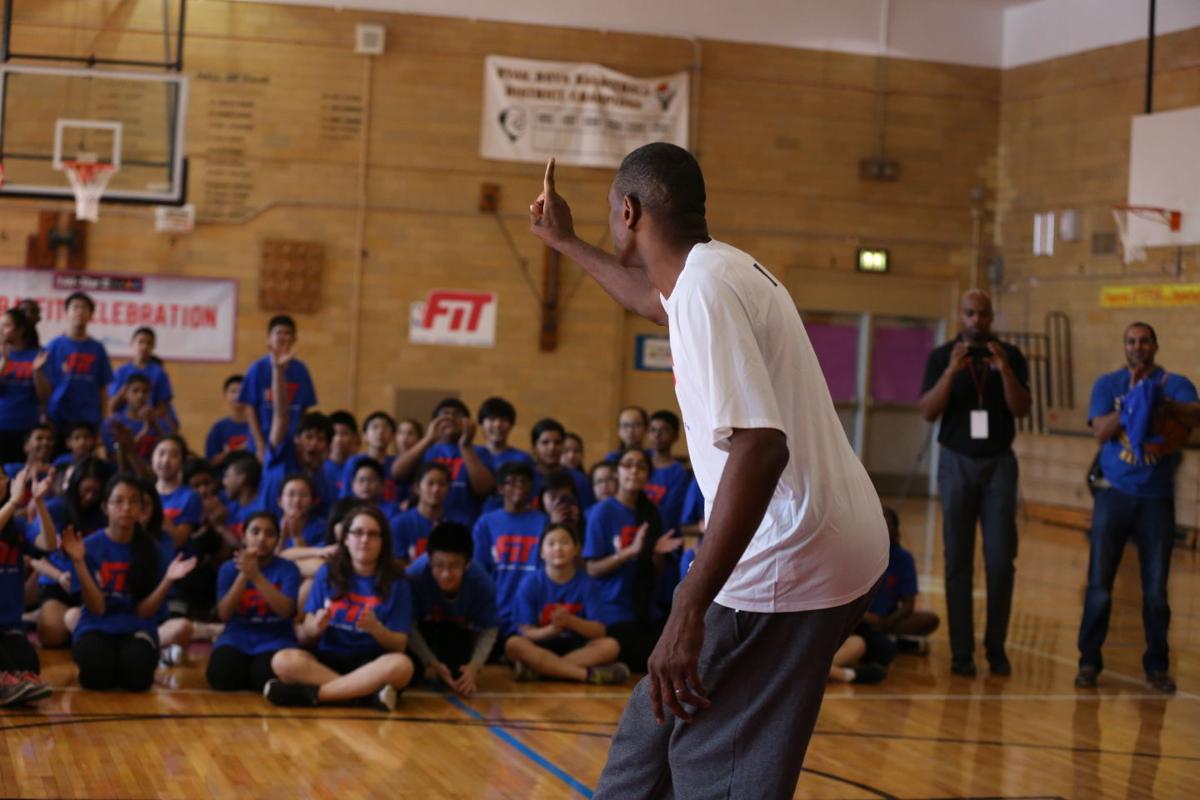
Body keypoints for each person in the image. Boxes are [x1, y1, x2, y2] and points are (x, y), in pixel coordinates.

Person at [530, 143, 888, 799]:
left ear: (630, 212)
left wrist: (689, 605)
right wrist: (566, 241)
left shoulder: (702, 293)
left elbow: (761, 447)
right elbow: (647, 298)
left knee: (708, 749)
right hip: (833, 541)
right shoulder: (718, 270)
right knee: (658, 727)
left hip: (791, 550)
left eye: (613, 215)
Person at [1076, 322, 1198, 694]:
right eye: (1131, 341)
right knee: (1099, 585)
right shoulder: (1107, 384)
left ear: (1156, 345)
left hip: (1156, 498)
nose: (1138, 346)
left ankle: (1158, 666)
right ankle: (1089, 662)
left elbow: (1195, 416)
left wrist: (1162, 403)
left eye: (1144, 341)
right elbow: (1100, 431)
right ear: (1124, 347)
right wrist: (1131, 402)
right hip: (1113, 494)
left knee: (1156, 590)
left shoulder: (1175, 383)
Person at [918, 289, 1030, 677]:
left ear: (992, 315)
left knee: (1000, 560)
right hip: (957, 461)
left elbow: (1022, 409)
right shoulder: (941, 356)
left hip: (999, 462)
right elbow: (928, 412)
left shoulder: (1010, 356)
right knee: (957, 561)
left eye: (983, 314)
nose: (977, 321)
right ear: (960, 315)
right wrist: (951, 371)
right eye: (970, 313)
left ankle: (996, 647)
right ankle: (961, 652)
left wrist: (1006, 372)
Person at [265, 505, 414, 711]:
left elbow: (399, 645)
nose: (364, 540)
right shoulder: (327, 572)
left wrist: (377, 630)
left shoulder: (397, 580)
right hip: (330, 659)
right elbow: (307, 629)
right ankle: (365, 696)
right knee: (282, 660)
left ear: (382, 542)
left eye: (373, 534)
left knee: (402, 666)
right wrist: (316, 626)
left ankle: (316, 695)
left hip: (372, 663)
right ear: (346, 539)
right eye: (358, 533)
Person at [63, 474, 197, 691]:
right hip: (97, 625)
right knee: (96, 677)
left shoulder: (152, 549)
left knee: (136, 679)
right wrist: (79, 563)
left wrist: (168, 580)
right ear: (105, 508)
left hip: (136, 628)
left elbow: (144, 612)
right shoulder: (88, 546)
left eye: (134, 501)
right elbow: (97, 607)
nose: (126, 507)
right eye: (119, 501)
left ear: (142, 510)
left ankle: (132, 661)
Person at [583, 447, 681, 671]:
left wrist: (655, 552)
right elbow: (592, 569)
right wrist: (630, 551)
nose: (634, 471)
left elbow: (656, 572)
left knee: (670, 654)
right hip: (611, 607)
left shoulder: (653, 513)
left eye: (641, 466)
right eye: (628, 464)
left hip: (644, 607)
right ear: (617, 471)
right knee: (644, 658)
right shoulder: (602, 512)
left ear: (648, 475)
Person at [506, 521, 631, 685]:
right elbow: (526, 631)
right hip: (541, 645)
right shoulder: (530, 583)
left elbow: (599, 631)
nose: (558, 548)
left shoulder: (587, 583)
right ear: (542, 552)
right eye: (551, 543)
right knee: (513, 644)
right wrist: (552, 630)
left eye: (564, 542)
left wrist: (571, 621)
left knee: (610, 645)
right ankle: (586, 675)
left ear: (576, 549)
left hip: (577, 648)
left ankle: (540, 671)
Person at [207, 511, 300, 692]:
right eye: (255, 532)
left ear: (278, 539)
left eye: (269, 533)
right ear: (244, 536)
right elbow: (224, 614)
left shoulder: (288, 569)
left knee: (263, 678)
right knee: (221, 675)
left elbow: (286, 611)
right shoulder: (228, 569)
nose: (262, 538)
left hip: (276, 637)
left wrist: (256, 576)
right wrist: (244, 573)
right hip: (237, 635)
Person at [405, 521, 499, 696]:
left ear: (467, 564)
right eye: (439, 565)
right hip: (422, 629)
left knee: (458, 673)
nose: (446, 574)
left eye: (454, 566)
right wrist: (430, 661)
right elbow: (408, 625)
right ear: (429, 559)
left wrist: (474, 667)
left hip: (456, 630)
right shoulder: (414, 577)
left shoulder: (483, 584)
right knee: (411, 669)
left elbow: (489, 629)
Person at [28, 457, 112, 647]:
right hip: (58, 584)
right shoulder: (55, 509)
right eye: (84, 490)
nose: (89, 496)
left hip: (94, 588)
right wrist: (58, 576)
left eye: (96, 492)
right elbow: (33, 558)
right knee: (52, 636)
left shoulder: (106, 513)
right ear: (74, 487)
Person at [471, 461, 548, 637]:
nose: (519, 487)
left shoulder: (544, 522)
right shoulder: (486, 523)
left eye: (524, 481)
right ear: (500, 489)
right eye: (512, 482)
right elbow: (479, 570)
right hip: (496, 608)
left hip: (532, 611)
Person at [0, 467, 55, 704]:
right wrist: (14, 501)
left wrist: (40, 503)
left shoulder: (17, 525)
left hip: (8, 624)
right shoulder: (11, 509)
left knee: (28, 664)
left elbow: (49, 544)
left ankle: (10, 682)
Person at [393, 399, 495, 526]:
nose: (451, 418)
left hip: (465, 523)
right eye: (445, 414)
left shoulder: (480, 452)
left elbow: (484, 489)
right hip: (425, 522)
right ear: (434, 422)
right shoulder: (425, 450)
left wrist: (466, 446)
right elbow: (397, 473)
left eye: (457, 414)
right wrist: (429, 438)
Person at [862, 507, 940, 656]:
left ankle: (881, 638)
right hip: (862, 618)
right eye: (881, 522)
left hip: (889, 619)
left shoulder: (904, 558)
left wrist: (886, 622)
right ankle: (898, 643)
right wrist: (866, 617)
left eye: (889, 523)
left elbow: (908, 605)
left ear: (897, 531)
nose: (885, 527)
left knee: (930, 620)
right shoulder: (862, 554)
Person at [238, 315, 317, 456]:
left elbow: (304, 408)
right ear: (269, 338)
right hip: (263, 440)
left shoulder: (301, 369)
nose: (283, 337)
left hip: (291, 442)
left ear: (294, 338)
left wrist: (299, 438)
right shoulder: (257, 368)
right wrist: (259, 443)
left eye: (287, 333)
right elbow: (249, 407)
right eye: (278, 333)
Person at [44, 292, 114, 449]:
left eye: (84, 308)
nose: (79, 311)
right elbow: (45, 385)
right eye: (75, 307)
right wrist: (44, 414)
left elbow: (103, 389)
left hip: (88, 418)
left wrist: (103, 421)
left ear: (91, 315)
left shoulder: (98, 349)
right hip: (58, 417)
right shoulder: (53, 346)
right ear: (66, 312)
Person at [0, 308, 50, 465]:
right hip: (2, 424)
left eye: (6, 325)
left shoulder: (38, 354)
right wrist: (3, 365)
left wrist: (37, 372)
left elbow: (45, 397)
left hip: (28, 426)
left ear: (20, 330)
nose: (1, 330)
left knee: (22, 474)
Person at [389, 462, 466, 562]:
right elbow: (397, 566)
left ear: (448, 489)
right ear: (417, 488)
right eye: (430, 483)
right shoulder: (399, 524)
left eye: (442, 484)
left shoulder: (460, 523)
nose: (436, 489)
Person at [109, 327, 177, 432]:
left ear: (153, 346)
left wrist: (150, 415)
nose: (144, 346)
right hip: (124, 425)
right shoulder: (121, 372)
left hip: (149, 425)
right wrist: (125, 391)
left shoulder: (159, 373)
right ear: (132, 343)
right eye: (141, 342)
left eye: (149, 343)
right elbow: (112, 406)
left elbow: (163, 407)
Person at [477, 396, 535, 514]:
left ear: (511, 425)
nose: (498, 425)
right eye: (492, 419)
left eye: (503, 420)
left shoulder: (522, 458)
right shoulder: (471, 455)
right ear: (481, 423)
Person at [529, 417, 593, 510]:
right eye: (545, 442)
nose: (552, 447)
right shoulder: (526, 479)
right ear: (534, 448)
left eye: (557, 442)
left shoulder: (578, 480)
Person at [645, 409, 691, 535]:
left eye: (664, 430)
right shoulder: (639, 462)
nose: (657, 435)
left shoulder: (679, 473)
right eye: (653, 430)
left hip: (662, 534)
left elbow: (669, 513)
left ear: (675, 436)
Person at [342, 411, 399, 501]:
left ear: (393, 436)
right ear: (365, 435)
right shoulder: (354, 462)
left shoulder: (397, 463)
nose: (380, 431)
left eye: (385, 427)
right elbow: (345, 496)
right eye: (375, 427)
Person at [205, 374, 255, 466]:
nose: (238, 396)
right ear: (225, 395)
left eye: (242, 391)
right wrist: (237, 450)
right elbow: (211, 462)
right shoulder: (218, 428)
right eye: (233, 391)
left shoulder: (258, 424)